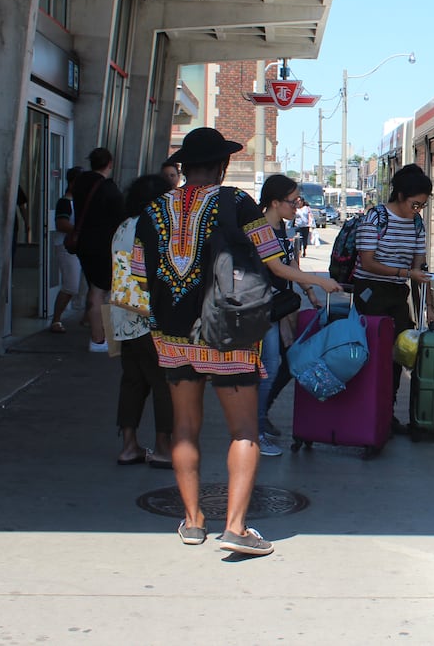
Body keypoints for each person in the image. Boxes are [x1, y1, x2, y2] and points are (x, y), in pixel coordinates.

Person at [132, 127, 339, 556]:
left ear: (185, 167)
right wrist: (318, 281)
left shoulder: (152, 210)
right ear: (223, 165)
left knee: (184, 428)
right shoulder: (237, 202)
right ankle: (236, 527)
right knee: (243, 430)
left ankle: (191, 522)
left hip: (173, 336)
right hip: (229, 333)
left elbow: (138, 275)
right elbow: (276, 264)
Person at [352, 164, 434, 432]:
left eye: (421, 205)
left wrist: (429, 305)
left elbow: (419, 268)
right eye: (414, 204)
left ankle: (387, 412)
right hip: (370, 291)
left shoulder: (417, 224)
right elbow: (367, 262)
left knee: (398, 353)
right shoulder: (375, 219)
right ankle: (366, 410)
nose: (417, 210)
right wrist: (404, 271)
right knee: (372, 353)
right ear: (400, 196)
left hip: (398, 293)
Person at [255, 175, 332, 456]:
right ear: (275, 202)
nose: (297, 207)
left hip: (275, 308)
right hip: (259, 308)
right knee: (270, 366)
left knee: (273, 365)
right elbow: (277, 268)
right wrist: (319, 282)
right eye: (293, 201)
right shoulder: (259, 228)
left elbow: (290, 262)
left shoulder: (281, 226)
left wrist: (309, 292)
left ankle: (259, 421)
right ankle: (255, 429)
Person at [111, 174, 174, 468]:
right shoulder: (155, 227)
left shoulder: (123, 226)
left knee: (132, 382)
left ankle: (129, 445)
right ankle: (163, 448)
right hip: (151, 317)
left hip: (124, 316)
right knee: (164, 383)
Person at [72, 148, 123, 352]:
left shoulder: (80, 184)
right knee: (101, 292)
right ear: (109, 163)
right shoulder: (107, 188)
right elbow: (119, 216)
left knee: (94, 287)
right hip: (104, 245)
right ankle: (100, 338)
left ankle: (100, 337)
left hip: (84, 243)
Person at [49, 166, 84, 333]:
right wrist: (80, 231)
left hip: (77, 246)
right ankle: (55, 319)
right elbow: (61, 224)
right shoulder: (65, 202)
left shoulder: (79, 202)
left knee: (79, 285)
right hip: (66, 246)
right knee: (71, 285)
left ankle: (86, 317)